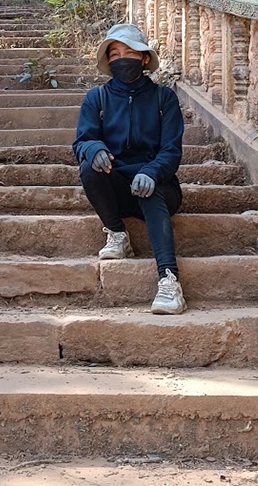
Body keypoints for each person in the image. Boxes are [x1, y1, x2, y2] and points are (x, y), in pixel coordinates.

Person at [72, 23, 186, 314]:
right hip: (118, 186)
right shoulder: (96, 98)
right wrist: (94, 149)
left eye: (129, 52)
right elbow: (82, 141)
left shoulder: (165, 99)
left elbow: (171, 151)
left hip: (159, 185)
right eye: (114, 54)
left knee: (153, 192)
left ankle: (169, 282)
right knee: (88, 168)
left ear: (145, 58)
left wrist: (152, 172)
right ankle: (118, 234)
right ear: (108, 61)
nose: (121, 58)